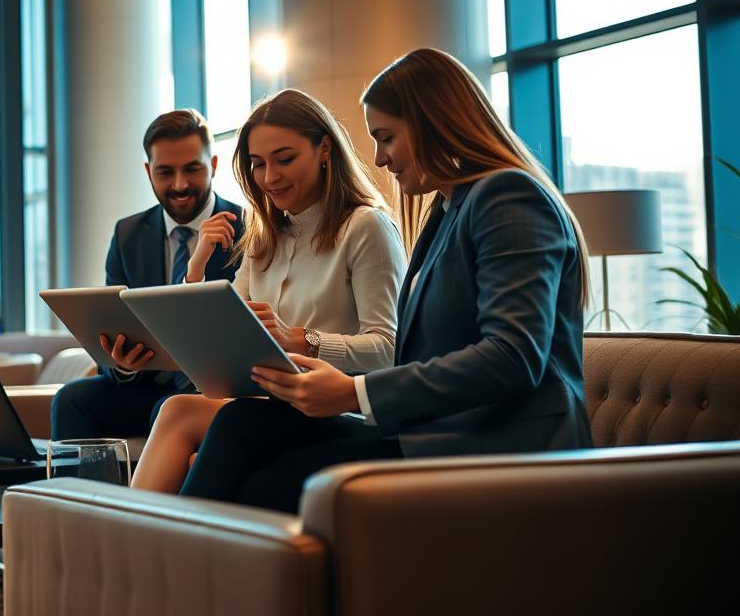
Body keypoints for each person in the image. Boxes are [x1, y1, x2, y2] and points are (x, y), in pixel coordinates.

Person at [178, 48, 594, 513]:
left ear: (435, 122)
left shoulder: (508, 197)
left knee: (264, 485)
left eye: (387, 137)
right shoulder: (446, 210)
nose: (380, 158)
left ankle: (165, 571)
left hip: (501, 442)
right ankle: (167, 567)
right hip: (439, 432)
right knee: (242, 425)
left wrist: (354, 391)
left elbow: (514, 356)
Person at [131, 89, 407, 493]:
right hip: (273, 402)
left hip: (337, 407)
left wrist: (302, 341)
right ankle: (134, 545)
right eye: (258, 164)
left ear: (324, 149)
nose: (269, 177)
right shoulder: (263, 235)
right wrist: (195, 270)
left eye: (285, 159)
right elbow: (221, 333)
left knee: (228, 422)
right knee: (175, 408)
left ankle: (154, 551)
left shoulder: (365, 227)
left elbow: (390, 348)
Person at [50, 109, 245, 441]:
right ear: (148, 171)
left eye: (192, 169)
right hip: (146, 386)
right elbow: (110, 329)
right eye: (165, 172)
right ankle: (77, 494)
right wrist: (122, 363)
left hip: (213, 392)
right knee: (71, 400)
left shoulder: (247, 229)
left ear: (212, 165)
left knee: (169, 410)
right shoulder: (128, 234)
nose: (180, 184)